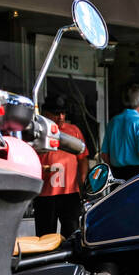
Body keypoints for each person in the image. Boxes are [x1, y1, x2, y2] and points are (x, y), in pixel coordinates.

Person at [35, 95, 89, 238]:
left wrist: (83, 182)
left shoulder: (73, 130)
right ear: (45, 113)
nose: (60, 117)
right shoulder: (37, 130)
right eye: (56, 113)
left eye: (63, 113)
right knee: (45, 236)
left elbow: (83, 158)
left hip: (70, 194)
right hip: (45, 194)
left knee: (73, 234)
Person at [100, 84, 139, 181]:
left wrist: (114, 170)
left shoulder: (113, 121)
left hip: (116, 174)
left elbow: (104, 154)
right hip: (138, 175)